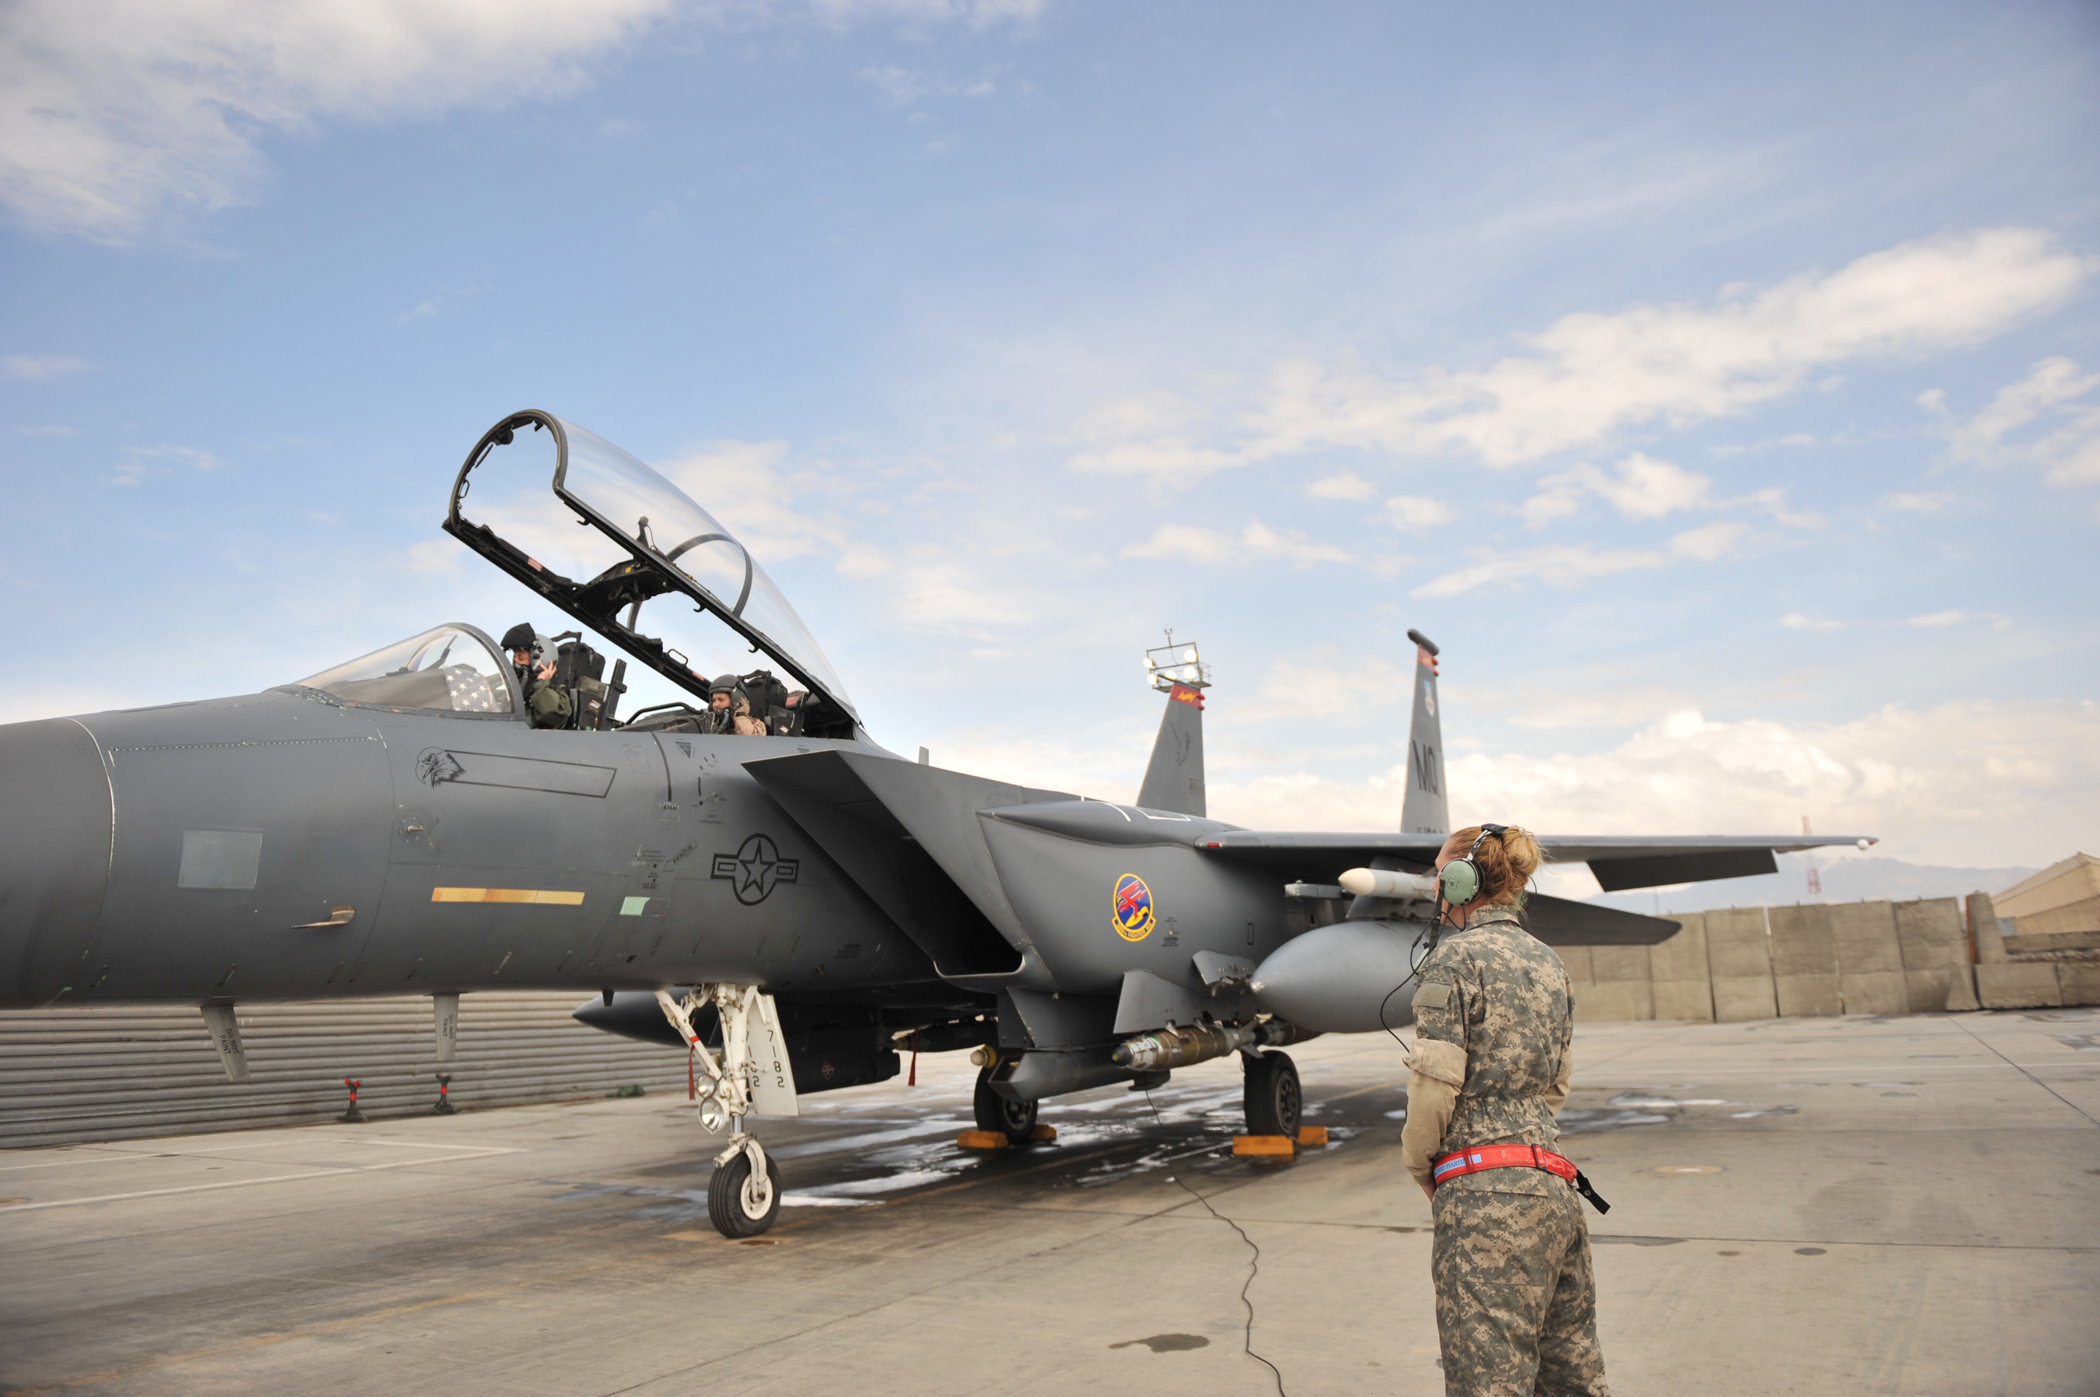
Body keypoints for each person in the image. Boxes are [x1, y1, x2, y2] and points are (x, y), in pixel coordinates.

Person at [1400, 823, 1609, 1397]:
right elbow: (1556, 1084)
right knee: (1572, 1374)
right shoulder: (1549, 963)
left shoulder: (1452, 962)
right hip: (1556, 1186)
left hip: (1484, 1200)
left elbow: (1433, 1089)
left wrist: (1424, 1168)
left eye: (1441, 878)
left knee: (1488, 1381)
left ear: (1462, 882)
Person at [500, 624, 573, 730]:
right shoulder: (514, 692)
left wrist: (541, 683)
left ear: (540, 660)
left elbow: (554, 714)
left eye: (520, 658)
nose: (515, 663)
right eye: (514, 657)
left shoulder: (558, 694)